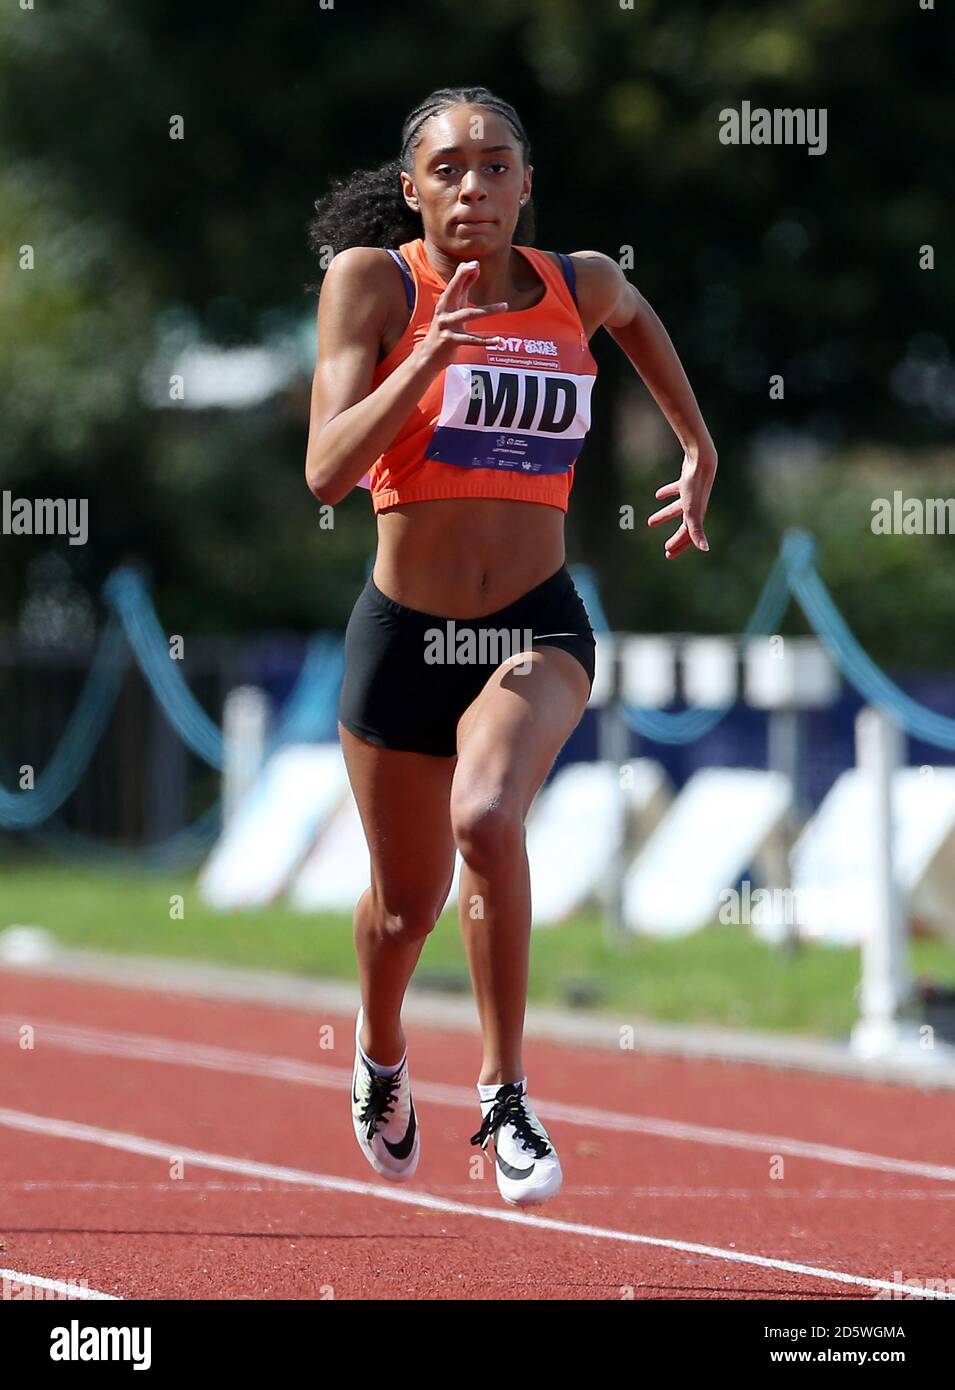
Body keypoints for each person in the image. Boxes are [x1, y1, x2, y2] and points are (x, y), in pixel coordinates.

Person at [304, 85, 717, 1207]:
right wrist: (421, 362)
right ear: (412, 191)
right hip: (401, 639)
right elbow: (327, 472)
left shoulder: (572, 283)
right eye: (448, 169)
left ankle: (503, 1093)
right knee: (402, 909)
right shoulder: (376, 285)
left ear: (526, 184)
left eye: (495, 166)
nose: (473, 187)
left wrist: (693, 440)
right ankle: (381, 1053)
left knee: (488, 816)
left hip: (532, 624)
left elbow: (632, 312)